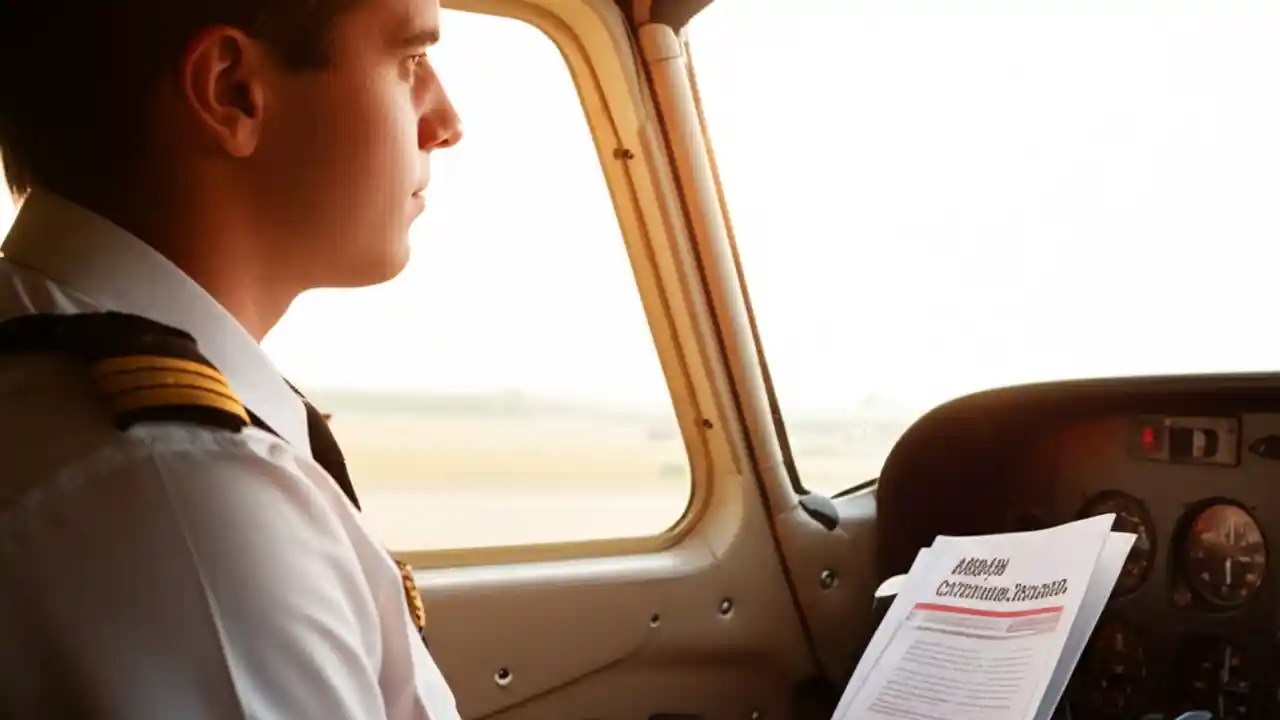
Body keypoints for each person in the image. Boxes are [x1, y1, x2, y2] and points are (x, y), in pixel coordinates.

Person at [0, 0, 464, 717]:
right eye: (408, 63)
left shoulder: (44, 346)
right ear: (231, 92)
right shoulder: (177, 492)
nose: (445, 121)